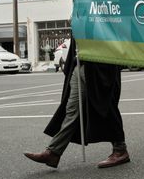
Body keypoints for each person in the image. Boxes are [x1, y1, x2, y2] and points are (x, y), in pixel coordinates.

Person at [24, 38, 129, 169]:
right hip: (79, 65)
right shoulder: (80, 17)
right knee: (71, 111)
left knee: (106, 107)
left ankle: (120, 150)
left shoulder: (104, 17)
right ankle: (53, 152)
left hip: (100, 66)